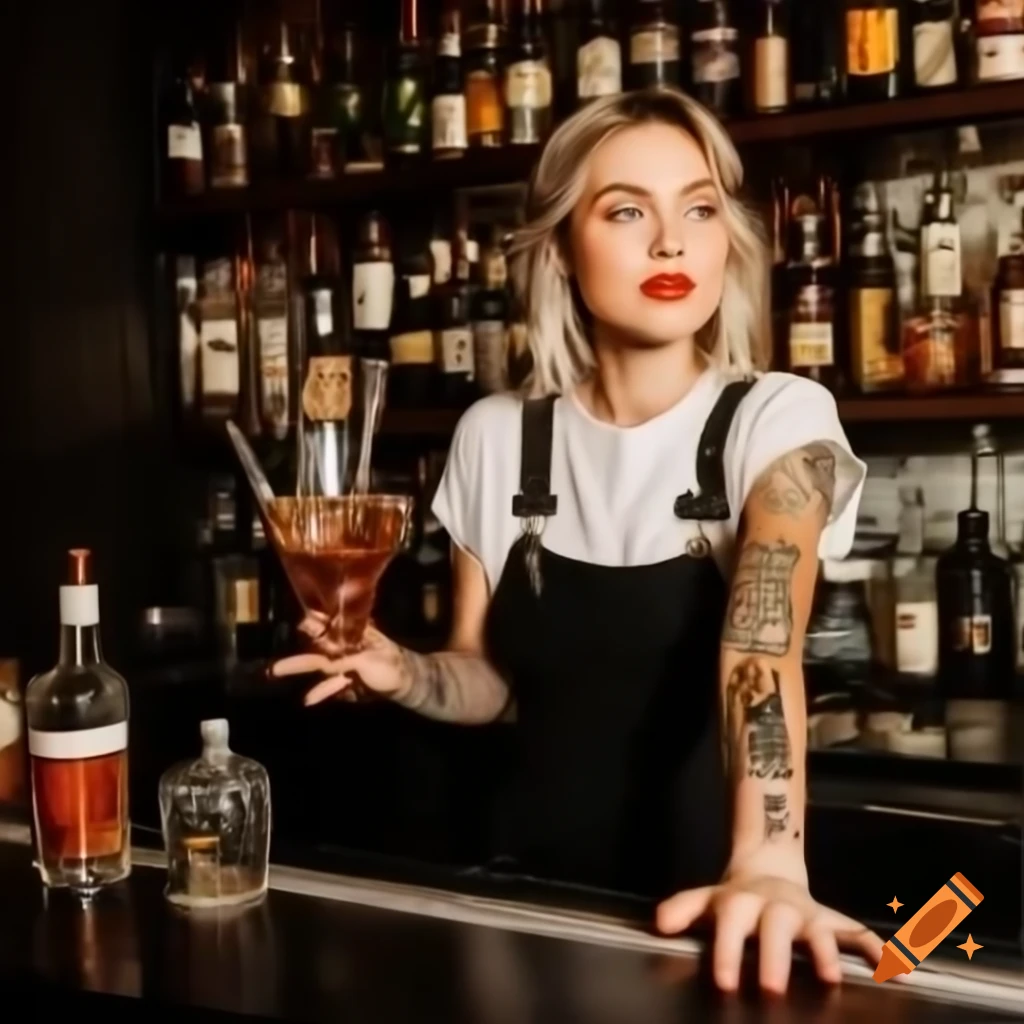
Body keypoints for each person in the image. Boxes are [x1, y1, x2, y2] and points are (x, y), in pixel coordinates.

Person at [273, 88, 884, 994]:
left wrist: (766, 863)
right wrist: (406, 673)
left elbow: (761, 647)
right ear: (562, 245)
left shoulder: (781, 419)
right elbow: (488, 684)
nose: (671, 243)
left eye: (699, 209)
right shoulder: (497, 436)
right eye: (628, 211)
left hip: (712, 915)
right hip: (527, 909)